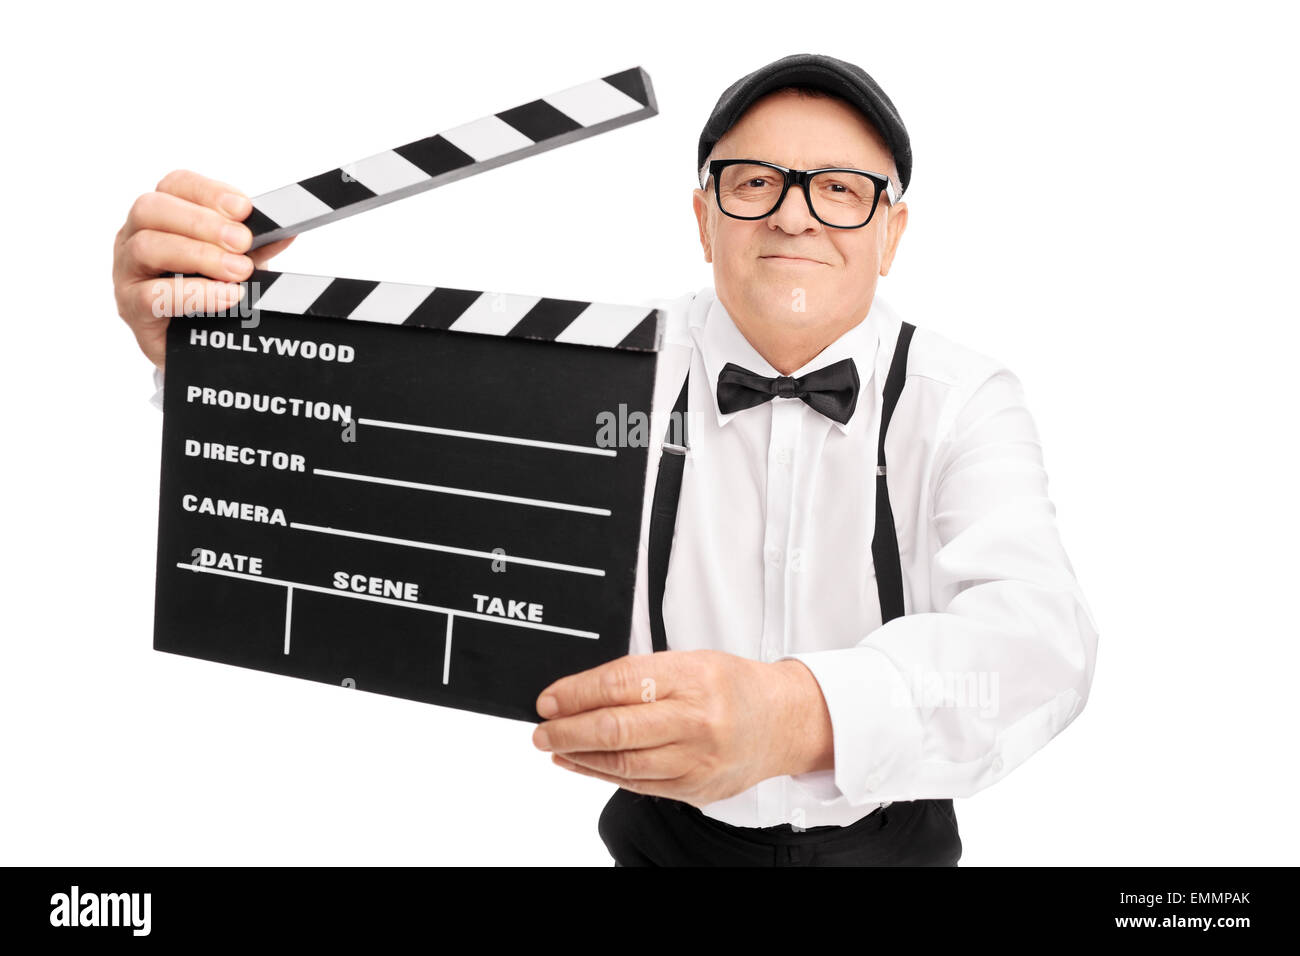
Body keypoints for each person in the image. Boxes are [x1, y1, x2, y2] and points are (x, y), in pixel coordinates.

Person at [112, 53, 1099, 867]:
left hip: (892, 842)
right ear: (703, 214)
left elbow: (1038, 639)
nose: (793, 215)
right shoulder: (590, 369)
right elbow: (387, 473)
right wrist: (207, 348)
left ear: (890, 234)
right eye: (754, 183)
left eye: (840, 191)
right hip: (656, 841)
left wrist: (792, 713)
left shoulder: (962, 396)